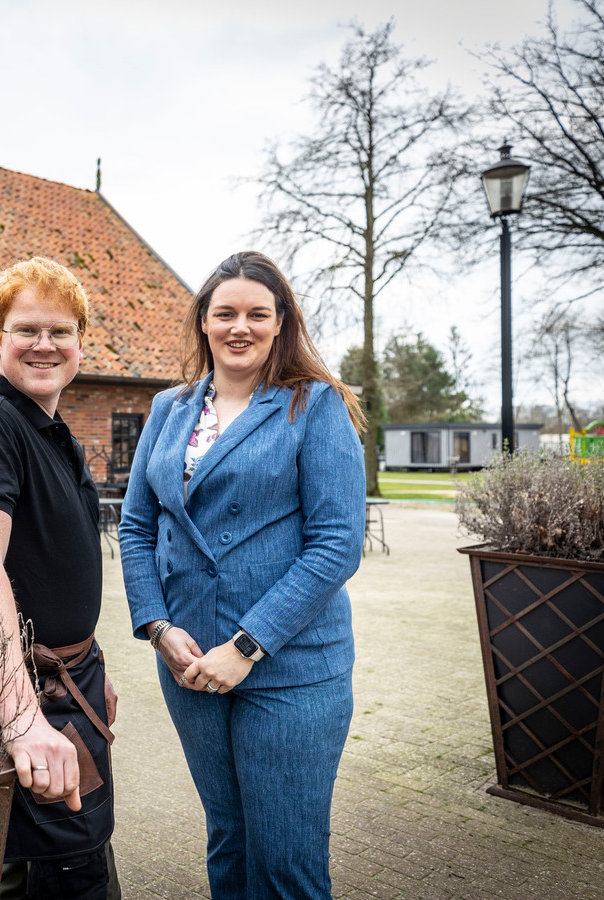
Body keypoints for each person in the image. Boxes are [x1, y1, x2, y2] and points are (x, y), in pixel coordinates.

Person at [119, 251, 366, 900]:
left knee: (286, 862)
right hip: (190, 664)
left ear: (280, 322)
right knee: (228, 838)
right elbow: (137, 527)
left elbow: (337, 545)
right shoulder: (169, 408)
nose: (240, 326)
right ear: (203, 321)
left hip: (289, 671)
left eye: (258, 313)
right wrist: (157, 626)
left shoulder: (314, 406)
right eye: (224, 312)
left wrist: (248, 646)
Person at [0, 257, 119, 899]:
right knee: (58, 874)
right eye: (26, 330)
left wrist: (91, 669)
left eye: (61, 331)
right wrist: (19, 718)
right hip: (34, 701)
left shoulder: (50, 429)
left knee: (83, 859)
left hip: (71, 689)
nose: (45, 345)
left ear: (79, 344)